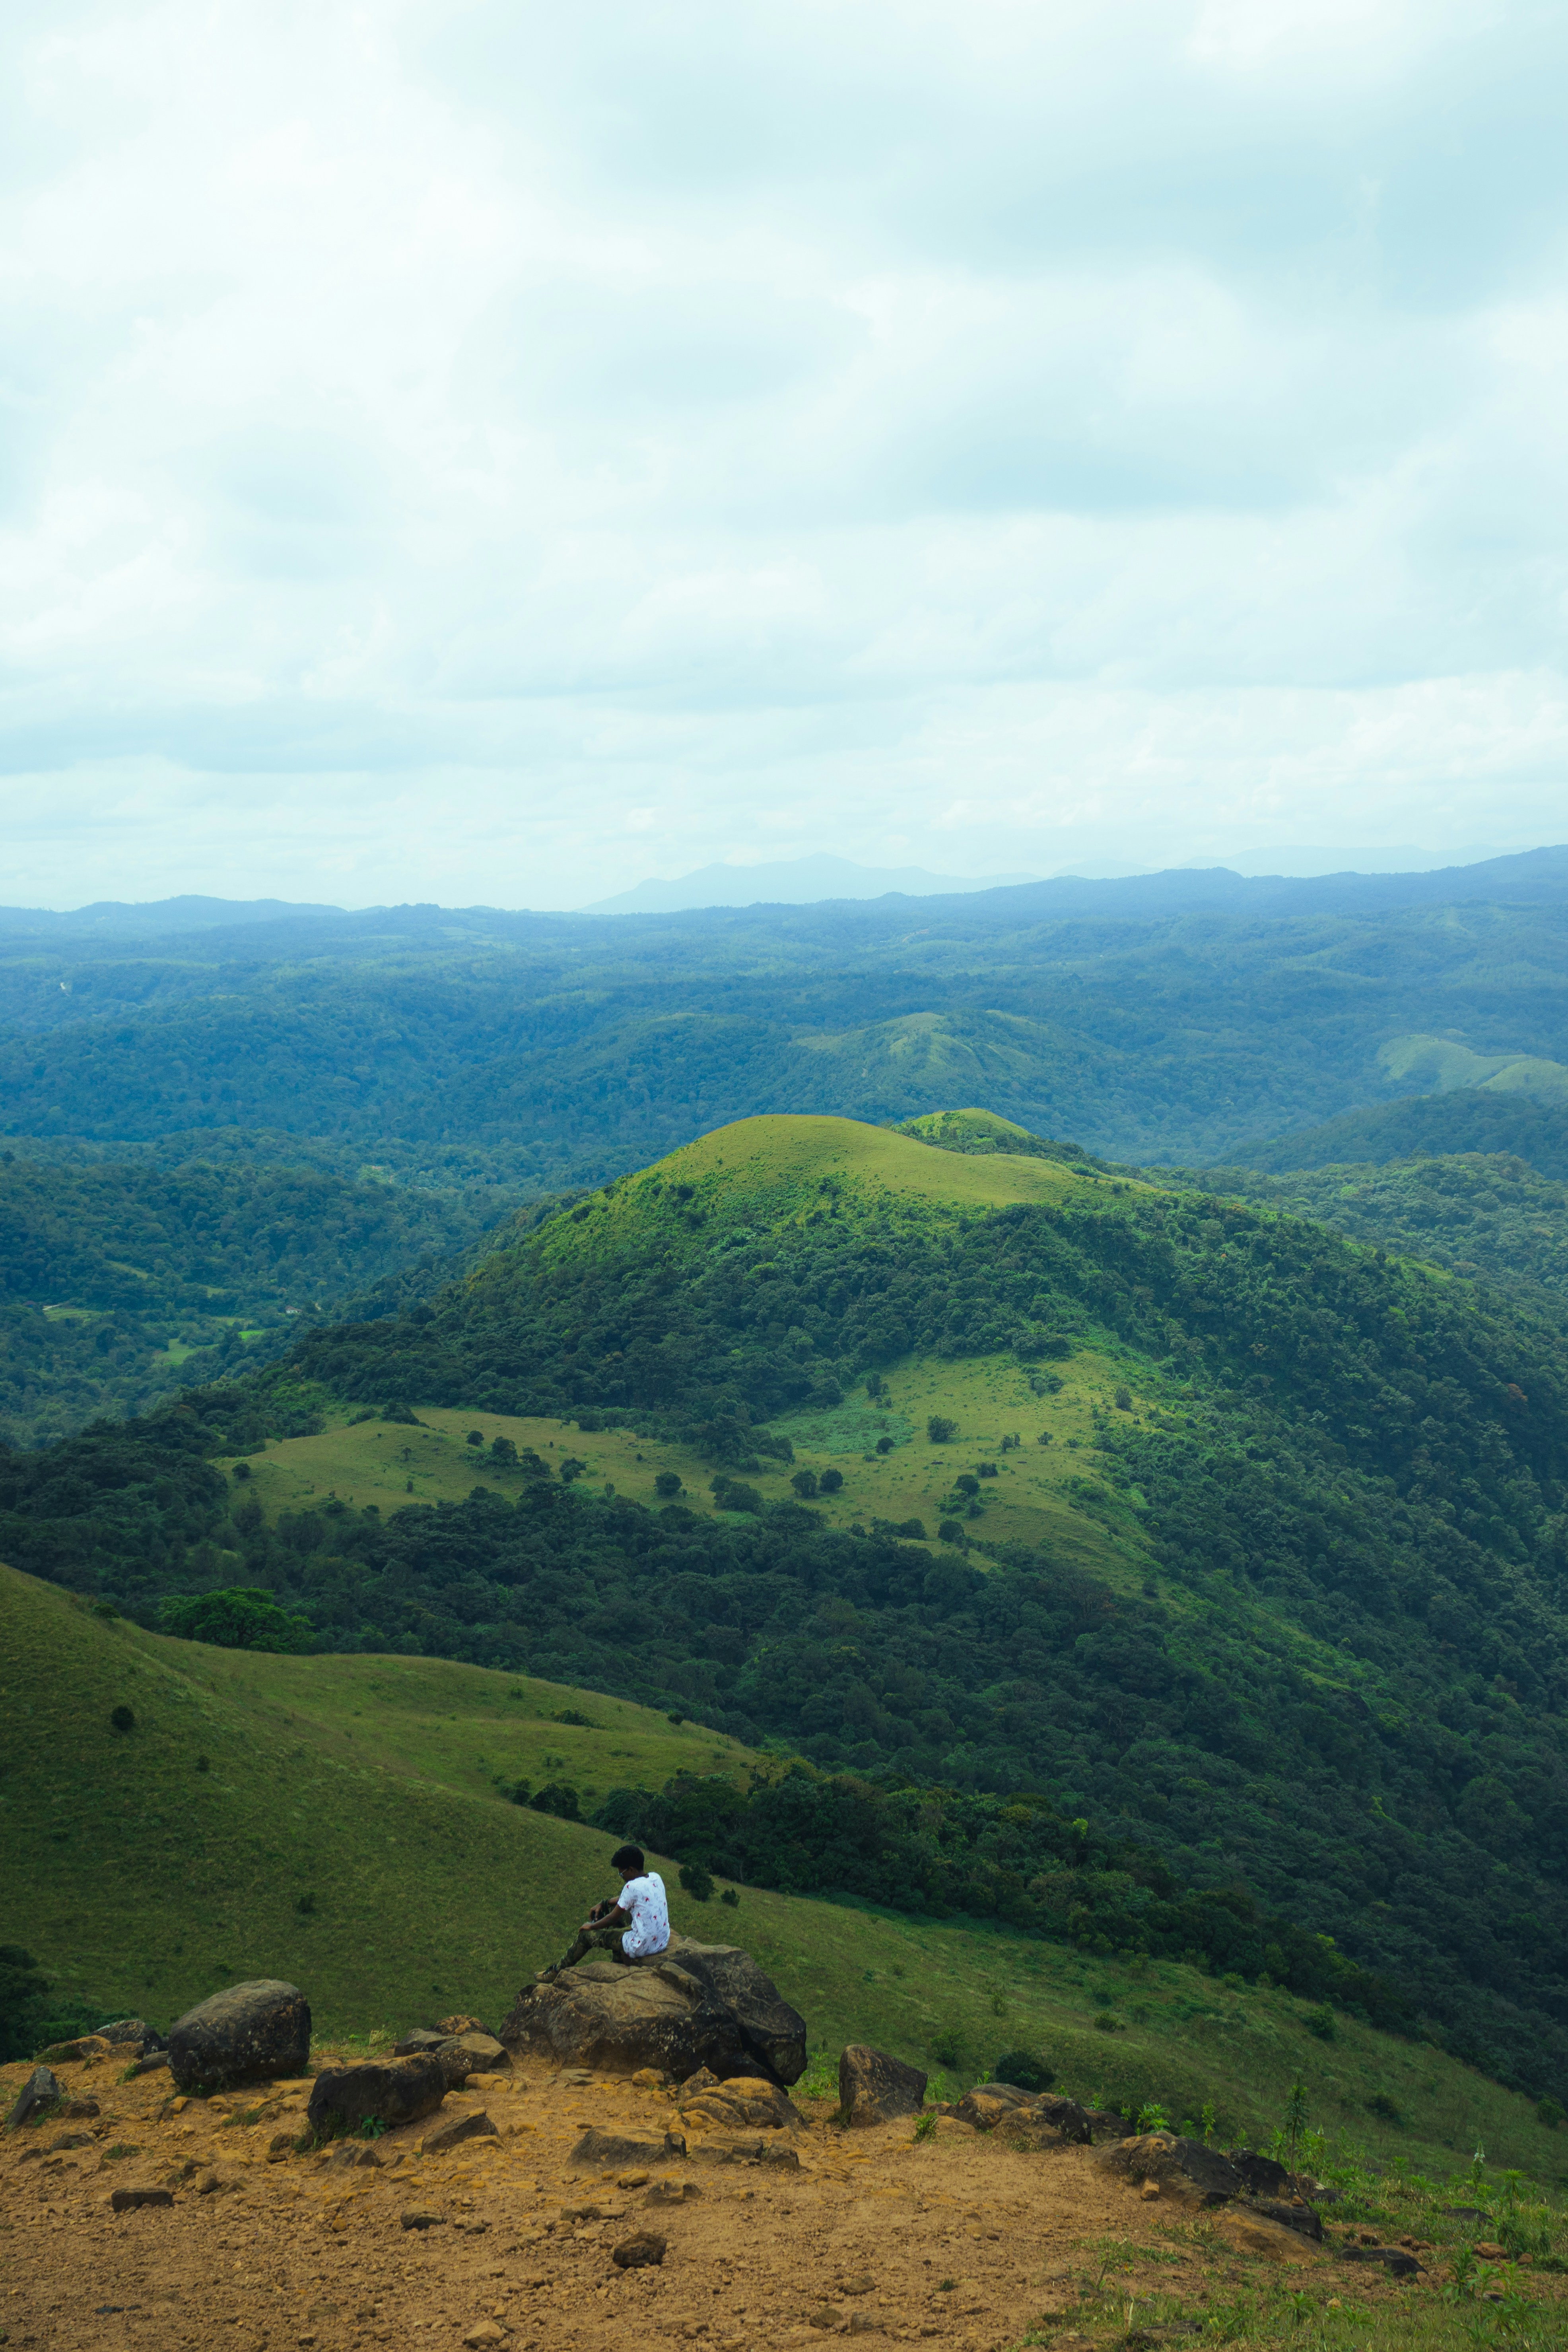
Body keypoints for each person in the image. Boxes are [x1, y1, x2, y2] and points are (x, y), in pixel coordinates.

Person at [536, 1844, 670, 1980]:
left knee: (586, 1937)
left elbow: (612, 1918)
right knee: (617, 1912)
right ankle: (618, 1961)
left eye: (621, 1873)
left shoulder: (631, 1887)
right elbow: (627, 1900)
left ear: (631, 1869)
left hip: (642, 1945)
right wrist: (604, 1903)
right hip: (661, 1942)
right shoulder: (655, 1877)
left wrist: (591, 1926)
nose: (621, 1876)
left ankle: (557, 1971)